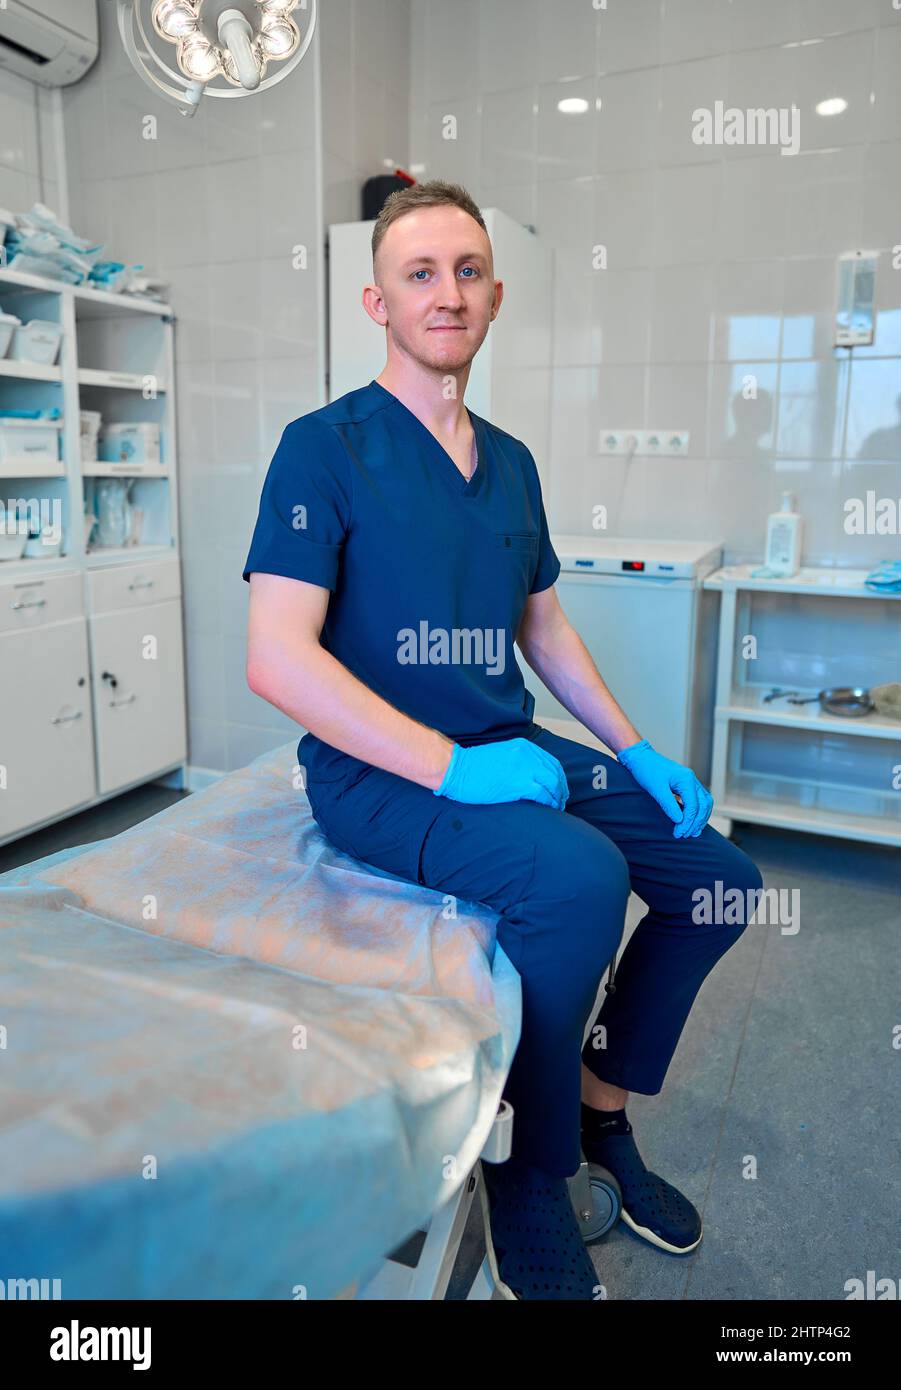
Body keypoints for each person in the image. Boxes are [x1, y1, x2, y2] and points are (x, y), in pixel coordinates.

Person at [243, 179, 763, 1301]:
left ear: (496, 296)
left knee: (721, 877)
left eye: (467, 271)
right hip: (382, 773)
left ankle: (599, 1105)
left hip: (504, 743)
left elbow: (541, 623)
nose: (447, 292)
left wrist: (631, 749)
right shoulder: (321, 449)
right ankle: (531, 1168)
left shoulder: (513, 461)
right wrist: (449, 767)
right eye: (421, 273)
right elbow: (278, 657)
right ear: (377, 301)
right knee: (580, 876)